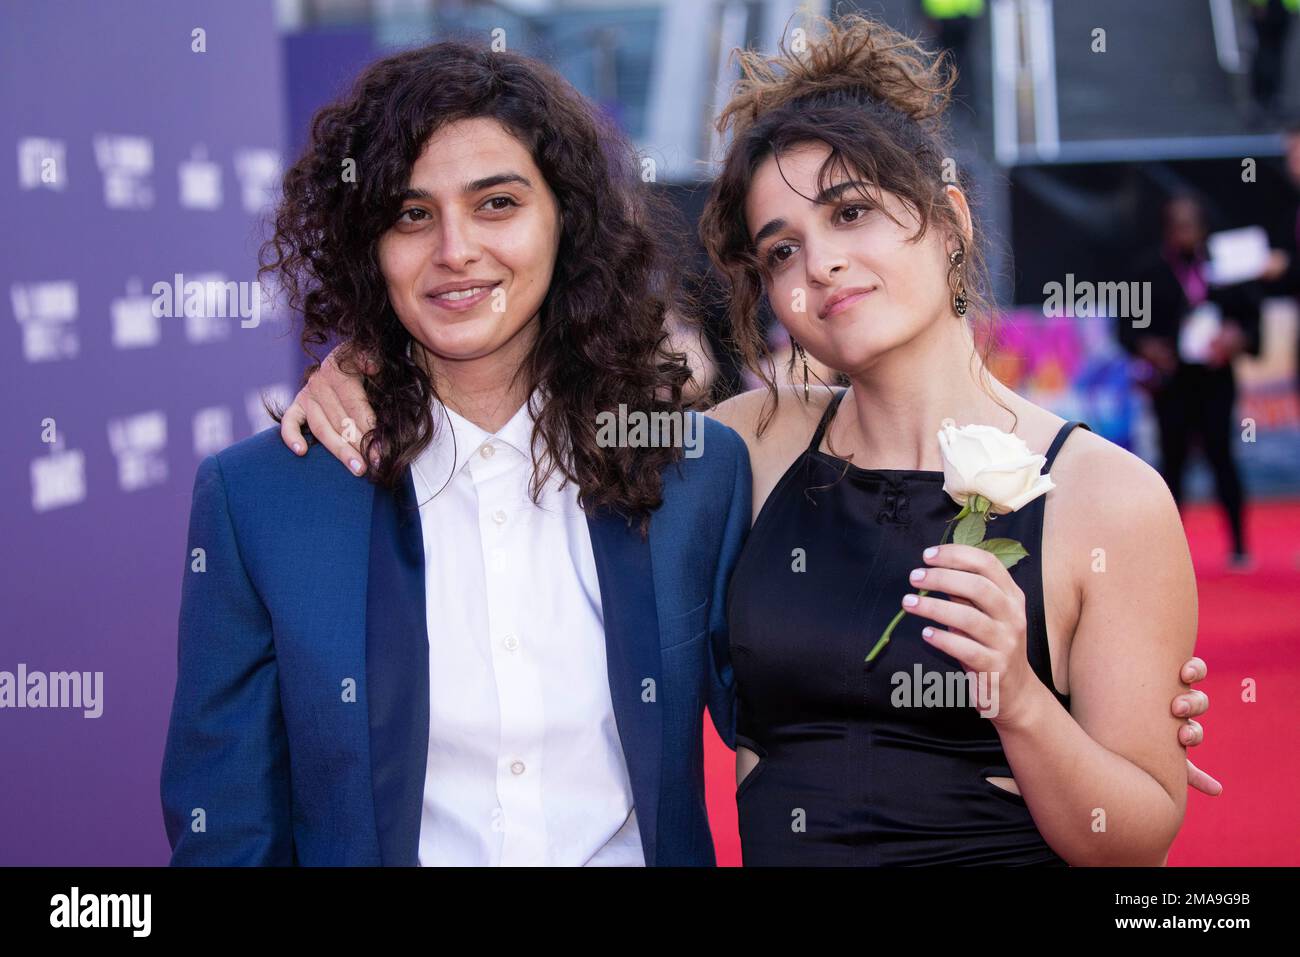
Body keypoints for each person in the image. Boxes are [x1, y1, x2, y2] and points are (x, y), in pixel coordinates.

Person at [278, 20, 1222, 865]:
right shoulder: (740, 451)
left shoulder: (1111, 498)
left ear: (952, 218)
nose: (822, 263)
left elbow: (1134, 836)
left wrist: (1022, 703)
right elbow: (519, 392)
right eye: (781, 249)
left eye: (850, 212)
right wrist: (373, 359)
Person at [160, 40, 752, 866]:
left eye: (497, 203)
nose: (454, 250)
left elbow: (796, 739)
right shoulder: (261, 500)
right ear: (369, 244)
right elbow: (227, 833)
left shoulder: (695, 469)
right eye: (411, 214)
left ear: (567, 219)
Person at [1119, 194, 1262, 569]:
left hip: (1215, 379)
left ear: (1203, 227)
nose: (1186, 233)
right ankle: (1171, 550)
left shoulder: (1226, 266)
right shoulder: (1148, 269)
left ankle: (1240, 546)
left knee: (1222, 458)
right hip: (1172, 383)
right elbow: (1127, 330)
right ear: (1167, 229)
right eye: (1178, 225)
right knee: (1173, 464)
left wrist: (1237, 338)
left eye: (1192, 224)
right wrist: (1148, 348)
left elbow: (1252, 320)